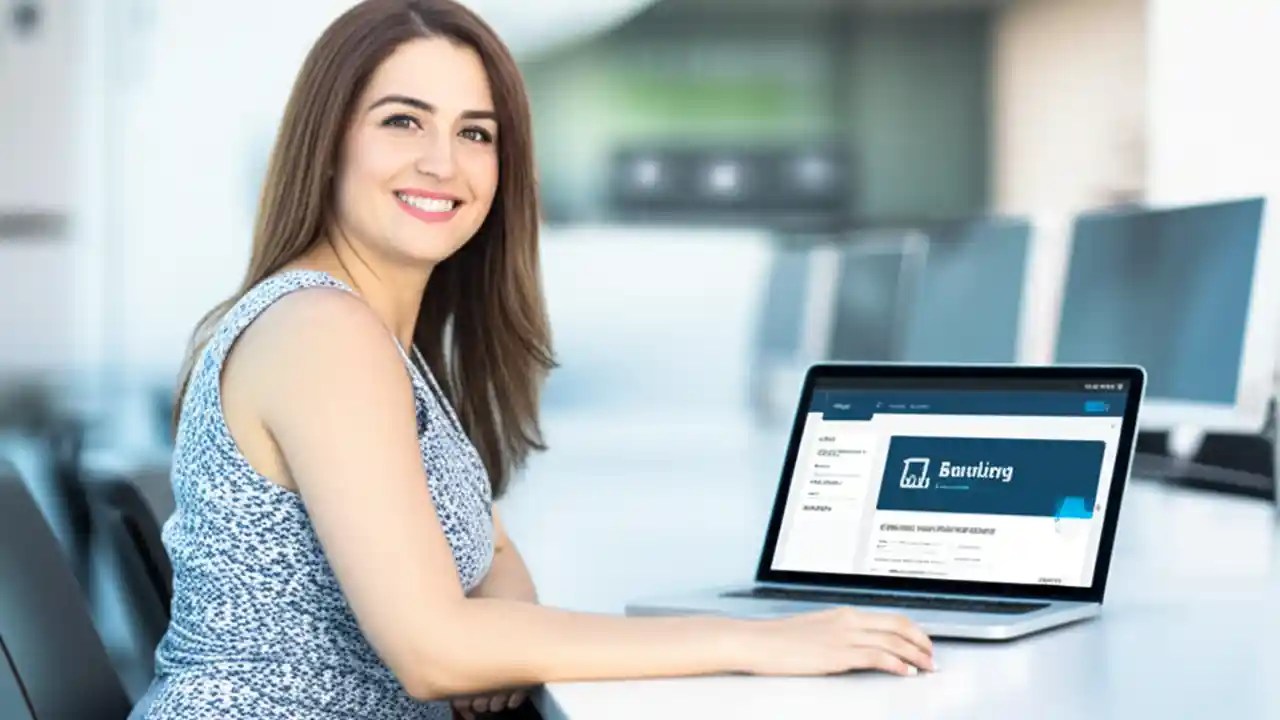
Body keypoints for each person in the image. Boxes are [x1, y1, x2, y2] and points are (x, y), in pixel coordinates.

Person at [129, 1, 935, 718]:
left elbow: (495, 566)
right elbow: (436, 653)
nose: (443, 163)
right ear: (328, 142)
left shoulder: (378, 339)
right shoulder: (320, 330)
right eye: (402, 121)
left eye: (475, 133)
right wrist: (756, 643)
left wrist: (482, 633)